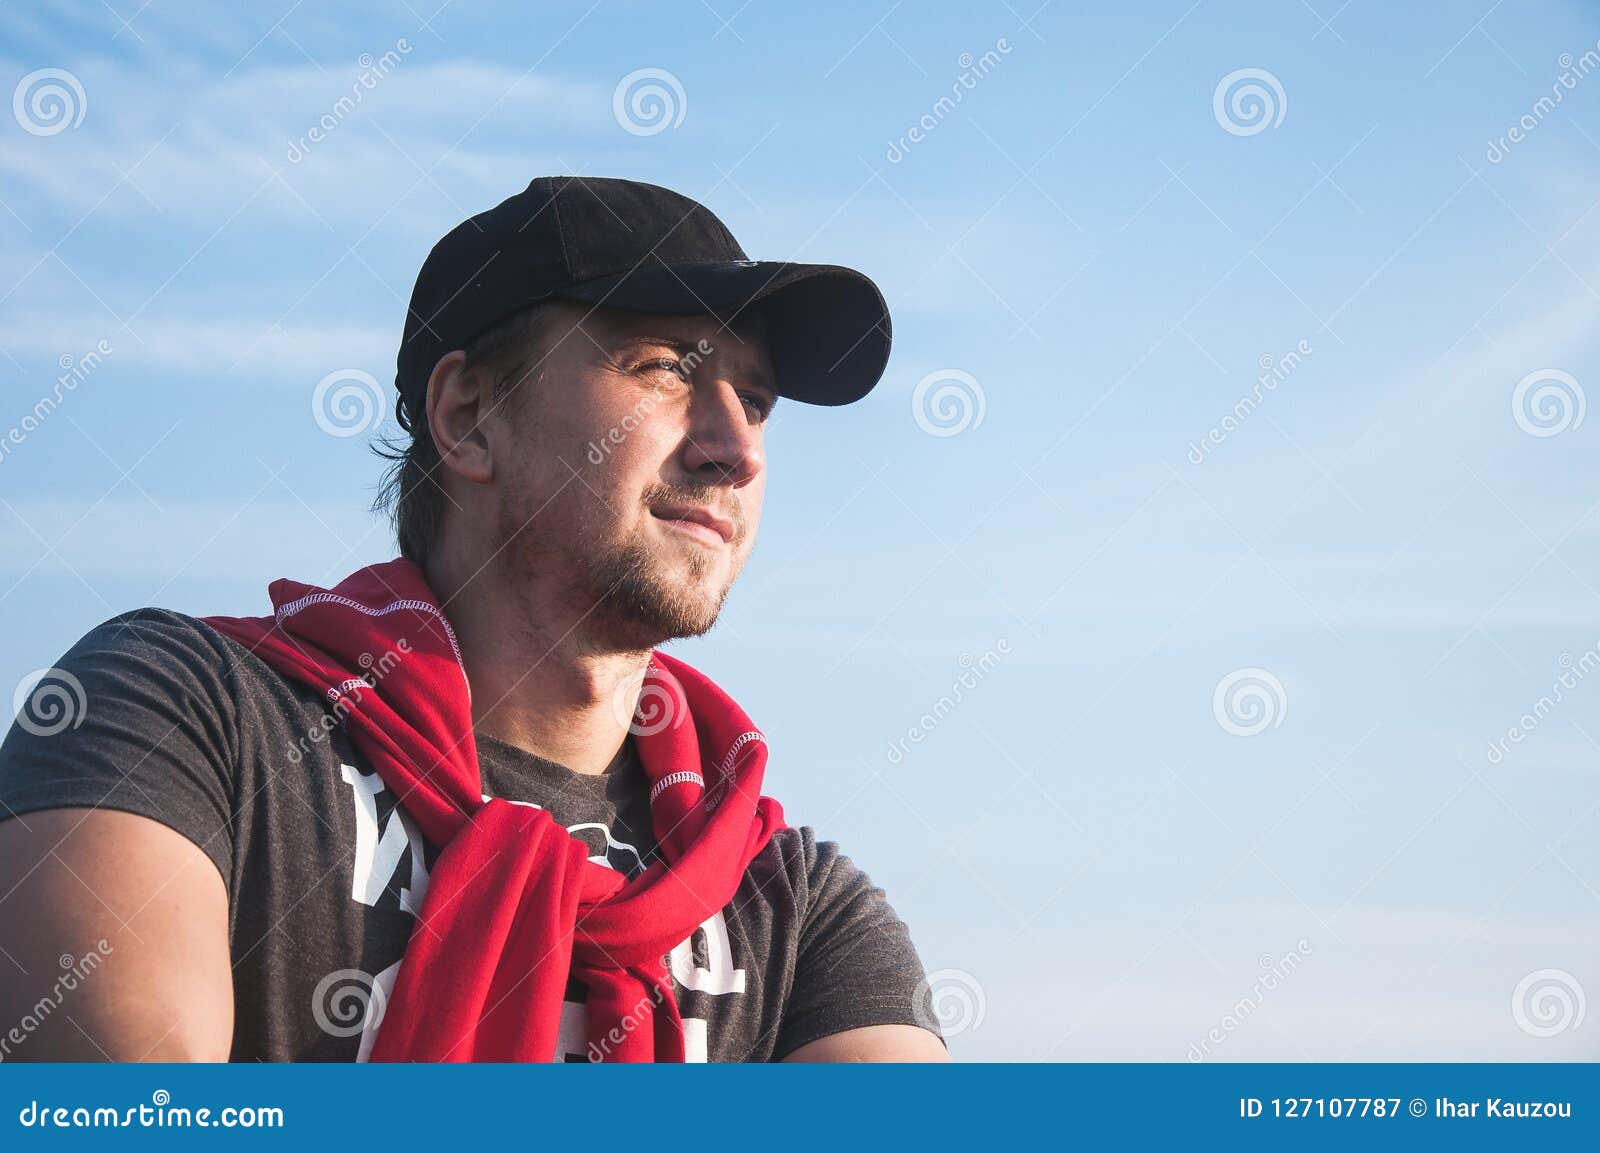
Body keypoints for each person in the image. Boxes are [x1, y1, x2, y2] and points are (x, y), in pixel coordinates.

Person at [0, 176, 947, 1063]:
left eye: (756, 400)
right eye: (665, 369)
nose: (735, 448)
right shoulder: (185, 719)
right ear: (468, 414)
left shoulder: (790, 902)